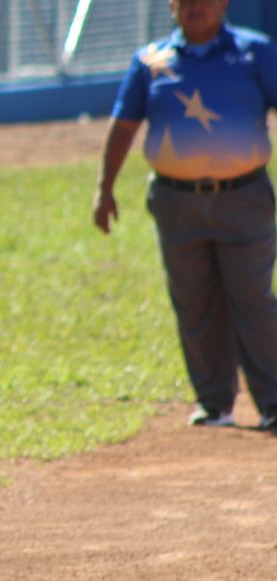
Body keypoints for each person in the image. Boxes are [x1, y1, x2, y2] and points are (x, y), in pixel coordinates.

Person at [93, 0, 277, 431]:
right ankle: (215, 404)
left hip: (243, 197)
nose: (197, 7)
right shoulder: (151, 61)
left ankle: (273, 400)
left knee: (253, 299)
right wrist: (104, 190)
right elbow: (123, 126)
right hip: (176, 202)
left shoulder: (254, 52)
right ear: (171, 6)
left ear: (224, 3)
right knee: (194, 303)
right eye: (186, 0)